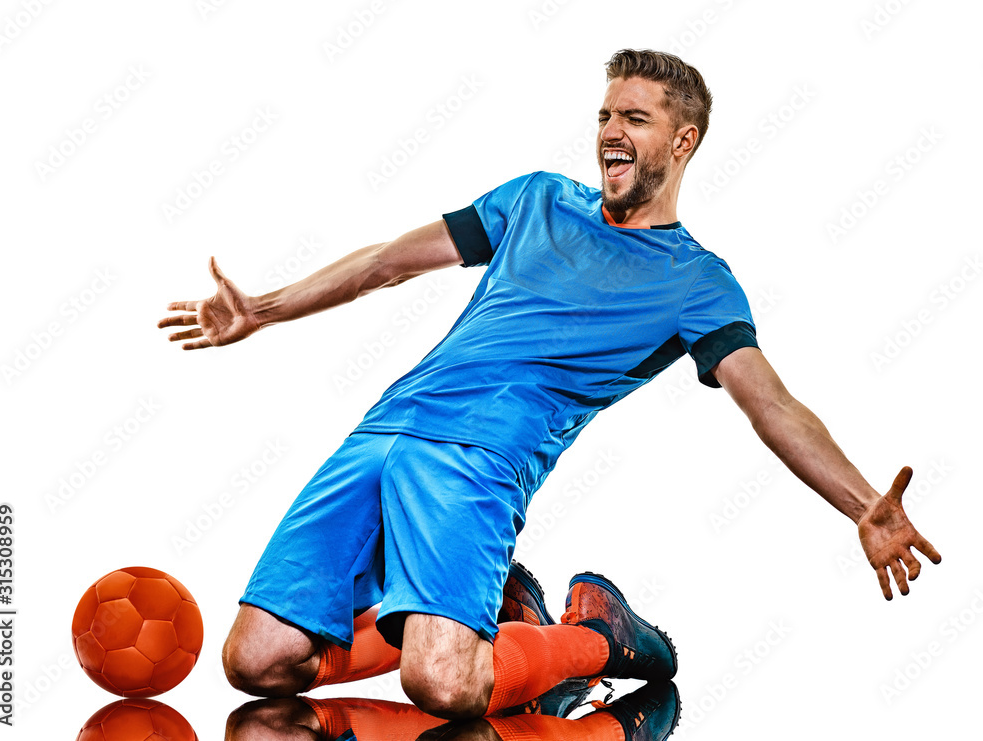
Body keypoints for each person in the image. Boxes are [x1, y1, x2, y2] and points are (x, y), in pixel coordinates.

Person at [159, 49, 941, 722]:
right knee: (256, 662)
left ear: (684, 138)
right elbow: (384, 264)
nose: (610, 131)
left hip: (477, 461)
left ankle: (600, 635)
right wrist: (261, 309)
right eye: (606, 114)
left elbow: (769, 403)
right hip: (379, 434)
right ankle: (498, 619)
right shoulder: (534, 199)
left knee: (440, 681)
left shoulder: (698, 282)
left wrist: (862, 502)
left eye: (635, 117)